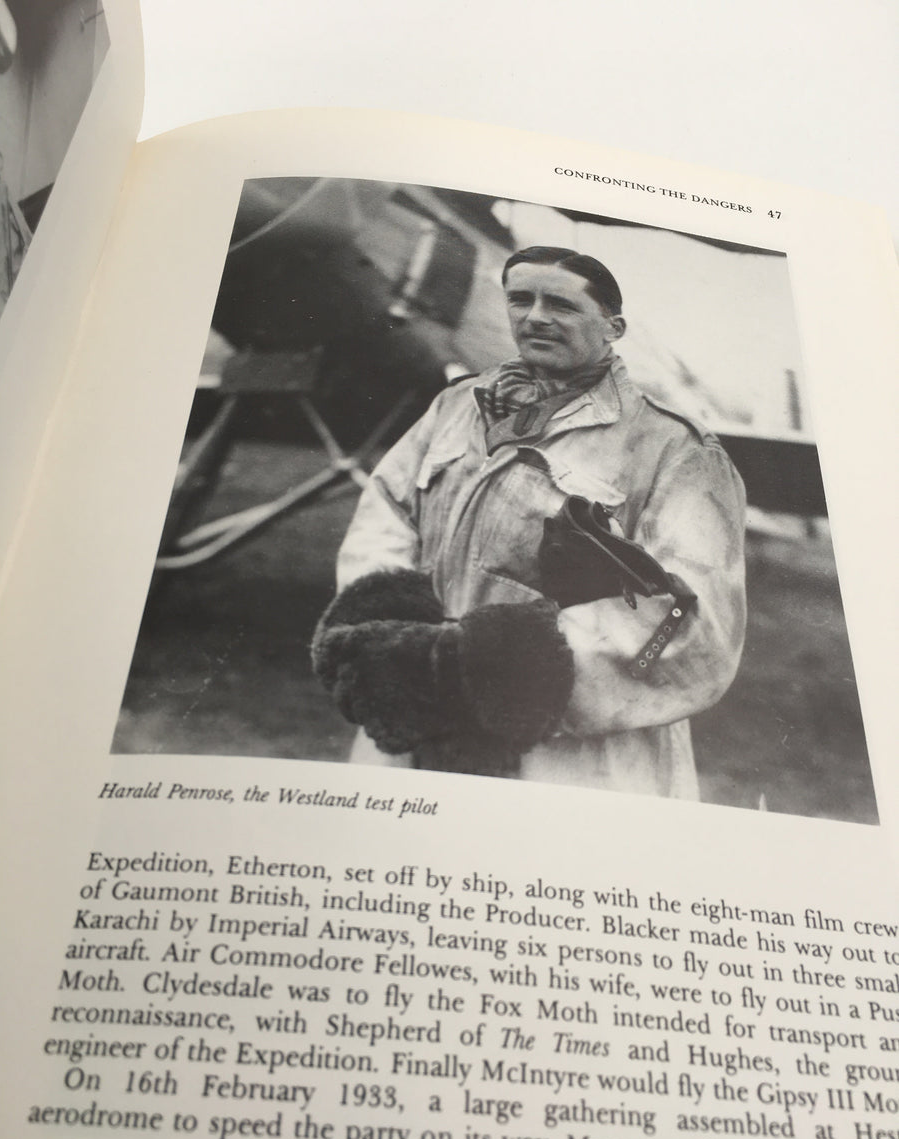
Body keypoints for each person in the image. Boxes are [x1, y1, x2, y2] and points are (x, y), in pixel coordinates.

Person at [313, 245, 746, 801]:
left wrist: (506, 668)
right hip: (418, 710)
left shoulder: (673, 448)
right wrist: (393, 635)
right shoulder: (455, 408)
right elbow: (386, 512)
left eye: (561, 304)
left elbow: (692, 619)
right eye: (520, 299)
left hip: (567, 751)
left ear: (613, 327)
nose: (535, 316)